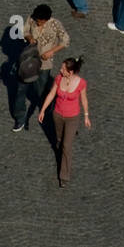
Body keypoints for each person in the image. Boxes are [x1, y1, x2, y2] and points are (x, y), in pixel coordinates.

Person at [12, 5, 70, 131]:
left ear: (46, 20)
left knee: (42, 91)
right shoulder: (32, 19)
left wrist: (51, 51)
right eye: (37, 20)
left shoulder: (55, 24)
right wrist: (30, 38)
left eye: (40, 21)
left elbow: (65, 40)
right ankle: (20, 118)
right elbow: (25, 31)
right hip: (28, 61)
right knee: (21, 90)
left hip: (44, 64)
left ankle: (48, 114)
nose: (37, 23)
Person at [38, 56, 91, 186]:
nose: (60, 70)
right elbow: (51, 94)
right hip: (57, 115)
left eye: (63, 68)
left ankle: (64, 176)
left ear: (70, 72)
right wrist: (43, 110)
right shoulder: (58, 79)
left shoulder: (81, 83)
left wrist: (86, 115)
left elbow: (83, 99)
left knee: (67, 146)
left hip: (72, 117)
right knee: (60, 140)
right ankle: (60, 149)